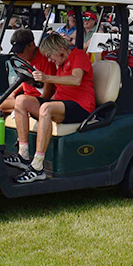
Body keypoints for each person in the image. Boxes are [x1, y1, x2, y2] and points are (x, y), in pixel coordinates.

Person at [8, 33, 94, 183]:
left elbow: (76, 79)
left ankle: (37, 167)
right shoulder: (60, 65)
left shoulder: (78, 55)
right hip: (63, 104)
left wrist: (47, 78)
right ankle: (23, 155)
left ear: (61, 48)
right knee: (21, 101)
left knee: (46, 109)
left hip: (81, 106)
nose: (49, 59)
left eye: (50, 55)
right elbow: (59, 93)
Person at [0, 29, 54, 132]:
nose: (19, 54)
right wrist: (13, 93)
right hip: (25, 98)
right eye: (17, 52)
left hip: (36, 101)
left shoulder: (45, 60)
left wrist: (33, 108)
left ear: (32, 44)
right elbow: (26, 79)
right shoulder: (24, 59)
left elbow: (48, 91)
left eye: (21, 51)